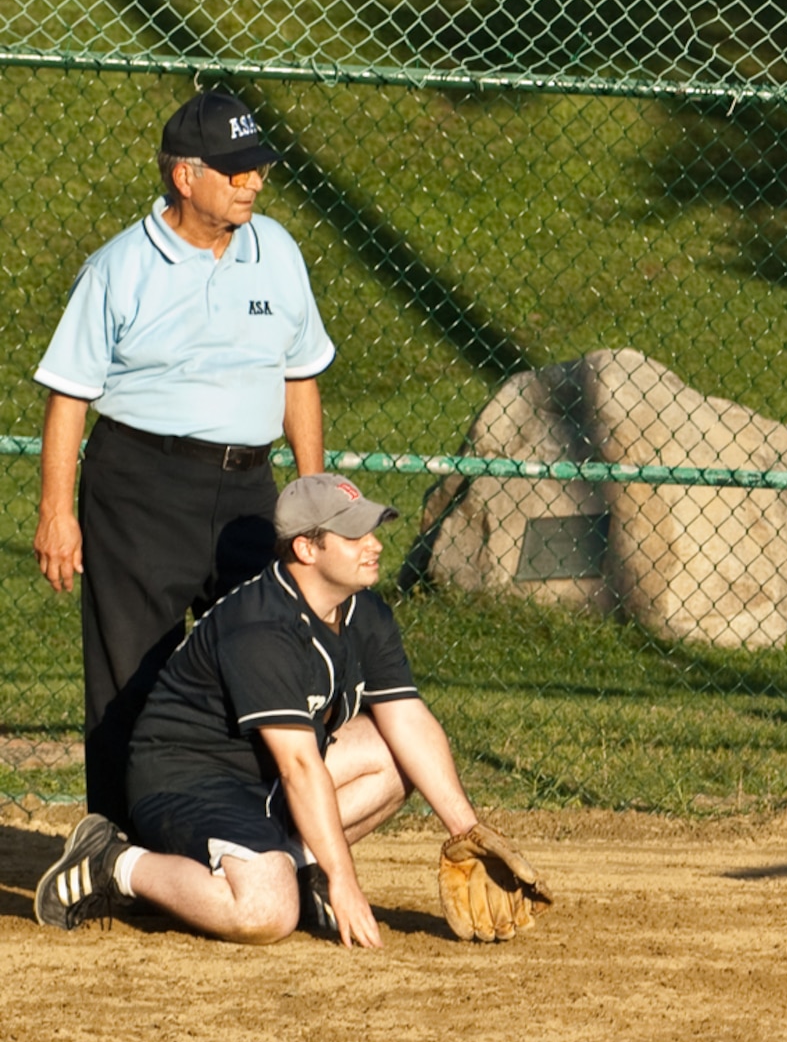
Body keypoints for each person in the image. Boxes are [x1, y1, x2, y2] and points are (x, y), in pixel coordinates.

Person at [33, 475, 552, 947]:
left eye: (372, 530)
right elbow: (299, 766)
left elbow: (407, 719)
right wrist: (342, 880)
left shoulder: (363, 611)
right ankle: (113, 861)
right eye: (354, 535)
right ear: (306, 547)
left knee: (397, 756)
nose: (374, 544)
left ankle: (293, 865)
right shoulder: (261, 628)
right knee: (267, 911)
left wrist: (467, 832)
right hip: (188, 782)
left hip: (262, 778)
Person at [33, 90, 332, 829]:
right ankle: (117, 852)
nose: (252, 182)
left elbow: (299, 378)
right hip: (141, 488)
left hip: (249, 492)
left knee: (268, 660)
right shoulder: (121, 266)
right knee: (128, 677)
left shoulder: (277, 252)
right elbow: (69, 397)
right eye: (235, 171)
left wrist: (313, 493)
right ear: (184, 176)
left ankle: (260, 836)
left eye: (258, 168)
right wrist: (56, 513)